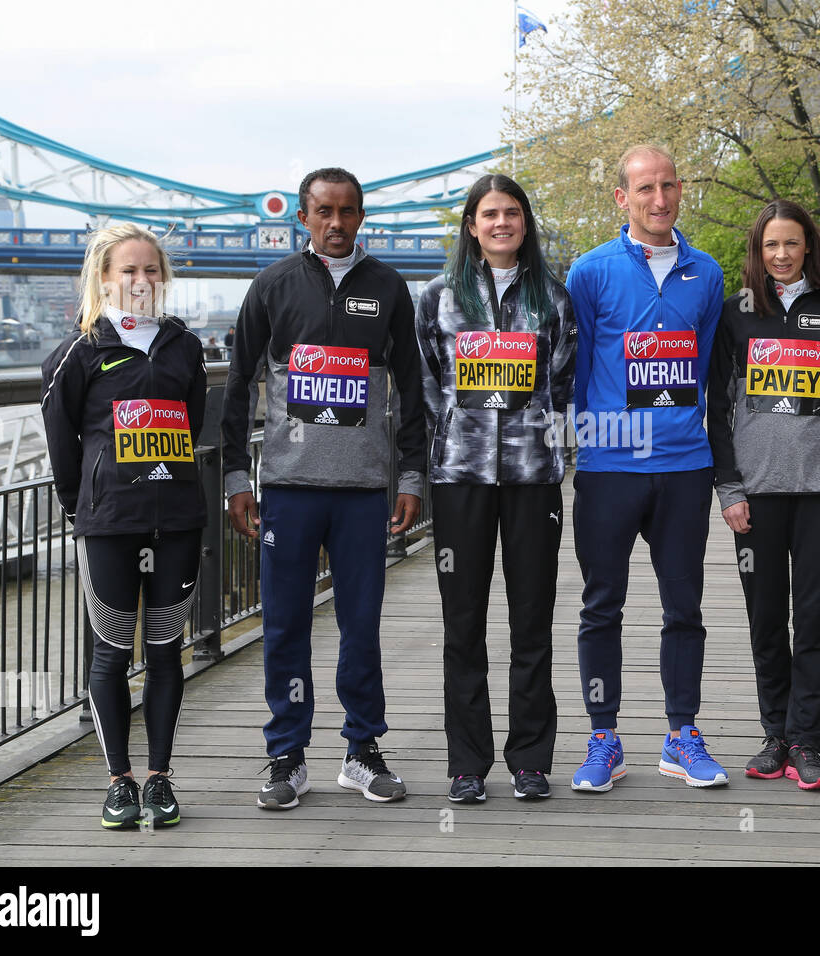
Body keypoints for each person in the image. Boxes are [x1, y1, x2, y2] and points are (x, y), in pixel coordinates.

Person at [222, 167, 427, 810]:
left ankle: (362, 750)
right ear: (304, 219)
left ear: (362, 217)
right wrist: (235, 476)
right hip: (288, 486)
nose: (336, 224)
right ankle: (286, 754)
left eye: (347, 212)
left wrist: (412, 475)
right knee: (285, 626)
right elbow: (236, 384)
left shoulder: (390, 288)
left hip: (364, 489)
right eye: (323, 212)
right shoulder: (272, 286)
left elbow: (414, 390)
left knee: (360, 626)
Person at [565, 144, 727, 791]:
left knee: (683, 608)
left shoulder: (707, 274)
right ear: (621, 199)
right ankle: (603, 736)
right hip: (608, 468)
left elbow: (708, 367)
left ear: (680, 191)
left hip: (685, 466)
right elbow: (574, 372)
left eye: (668, 187)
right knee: (602, 606)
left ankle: (681, 734)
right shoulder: (589, 272)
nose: (658, 200)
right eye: (645, 189)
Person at [40, 223, 207, 829]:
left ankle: (160, 778)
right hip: (110, 524)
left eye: (151, 271)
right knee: (111, 652)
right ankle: (119, 782)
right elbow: (62, 442)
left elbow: (191, 428)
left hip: (178, 520)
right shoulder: (77, 352)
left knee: (165, 651)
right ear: (104, 279)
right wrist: (78, 508)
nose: (141, 282)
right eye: (128, 271)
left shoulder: (186, 347)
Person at [415, 174, 575, 802]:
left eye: (512, 213)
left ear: (525, 223)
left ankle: (531, 759)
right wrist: (457, 432)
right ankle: (467, 764)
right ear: (472, 226)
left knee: (531, 620)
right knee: (463, 623)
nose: (502, 223)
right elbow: (427, 380)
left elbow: (561, 378)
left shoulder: (553, 299)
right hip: (460, 478)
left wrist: (533, 432)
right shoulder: (437, 297)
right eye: (489, 214)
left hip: (533, 478)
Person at [707, 200, 820, 790]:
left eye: (792, 244)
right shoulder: (735, 316)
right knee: (766, 620)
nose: (781, 255)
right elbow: (717, 411)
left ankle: (807, 742)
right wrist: (728, 488)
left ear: (809, 249)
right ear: (758, 252)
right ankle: (773, 733)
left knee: (815, 620)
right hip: (755, 496)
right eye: (771, 246)